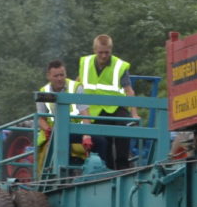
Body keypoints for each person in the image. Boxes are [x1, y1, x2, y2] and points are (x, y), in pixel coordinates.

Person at [76, 34, 139, 169]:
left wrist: (134, 114)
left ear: (111, 50)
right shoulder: (85, 64)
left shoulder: (119, 66)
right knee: (104, 142)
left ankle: (123, 167)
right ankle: (108, 169)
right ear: (94, 50)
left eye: (107, 52)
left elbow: (129, 91)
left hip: (116, 108)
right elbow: (78, 84)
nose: (104, 56)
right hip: (96, 111)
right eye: (100, 52)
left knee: (123, 129)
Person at [36, 59, 82, 173]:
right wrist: (47, 129)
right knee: (47, 152)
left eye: (62, 75)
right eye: (56, 76)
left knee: (101, 142)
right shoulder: (43, 92)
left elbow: (85, 114)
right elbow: (40, 119)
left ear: (66, 74)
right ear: (49, 76)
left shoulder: (76, 88)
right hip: (53, 134)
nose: (60, 78)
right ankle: (48, 177)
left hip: (75, 131)